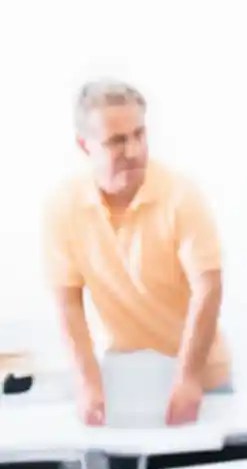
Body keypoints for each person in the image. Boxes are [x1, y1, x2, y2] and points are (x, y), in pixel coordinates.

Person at [43, 79, 229, 425]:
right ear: (85, 145)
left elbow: (208, 288)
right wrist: (86, 381)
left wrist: (187, 377)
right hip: (125, 383)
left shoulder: (181, 196)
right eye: (116, 141)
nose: (132, 150)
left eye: (139, 135)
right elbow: (67, 301)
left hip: (200, 377)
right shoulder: (63, 207)